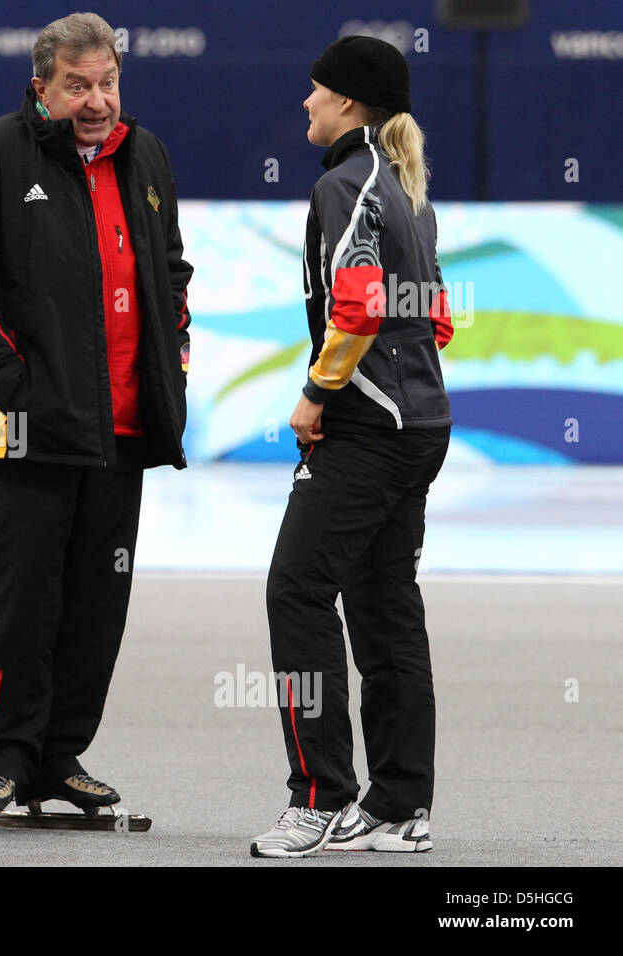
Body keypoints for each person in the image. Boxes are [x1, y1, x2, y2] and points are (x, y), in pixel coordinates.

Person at [0, 12, 194, 823]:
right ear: (41, 89)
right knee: (23, 595)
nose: (96, 100)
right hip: (23, 428)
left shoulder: (146, 155)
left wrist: (171, 365)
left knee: (96, 603)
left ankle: (58, 757)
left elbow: (170, 272)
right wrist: (21, 385)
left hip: (123, 425)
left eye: (107, 83)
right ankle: (2, 755)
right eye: (78, 86)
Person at [250, 35, 454, 858]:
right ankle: (401, 806)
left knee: (295, 591)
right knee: (385, 604)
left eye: (316, 89)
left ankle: (319, 797)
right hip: (421, 425)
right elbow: (435, 315)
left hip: (368, 429)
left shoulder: (346, 183)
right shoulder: (409, 185)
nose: (306, 101)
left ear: (347, 103)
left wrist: (314, 396)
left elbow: (362, 307)